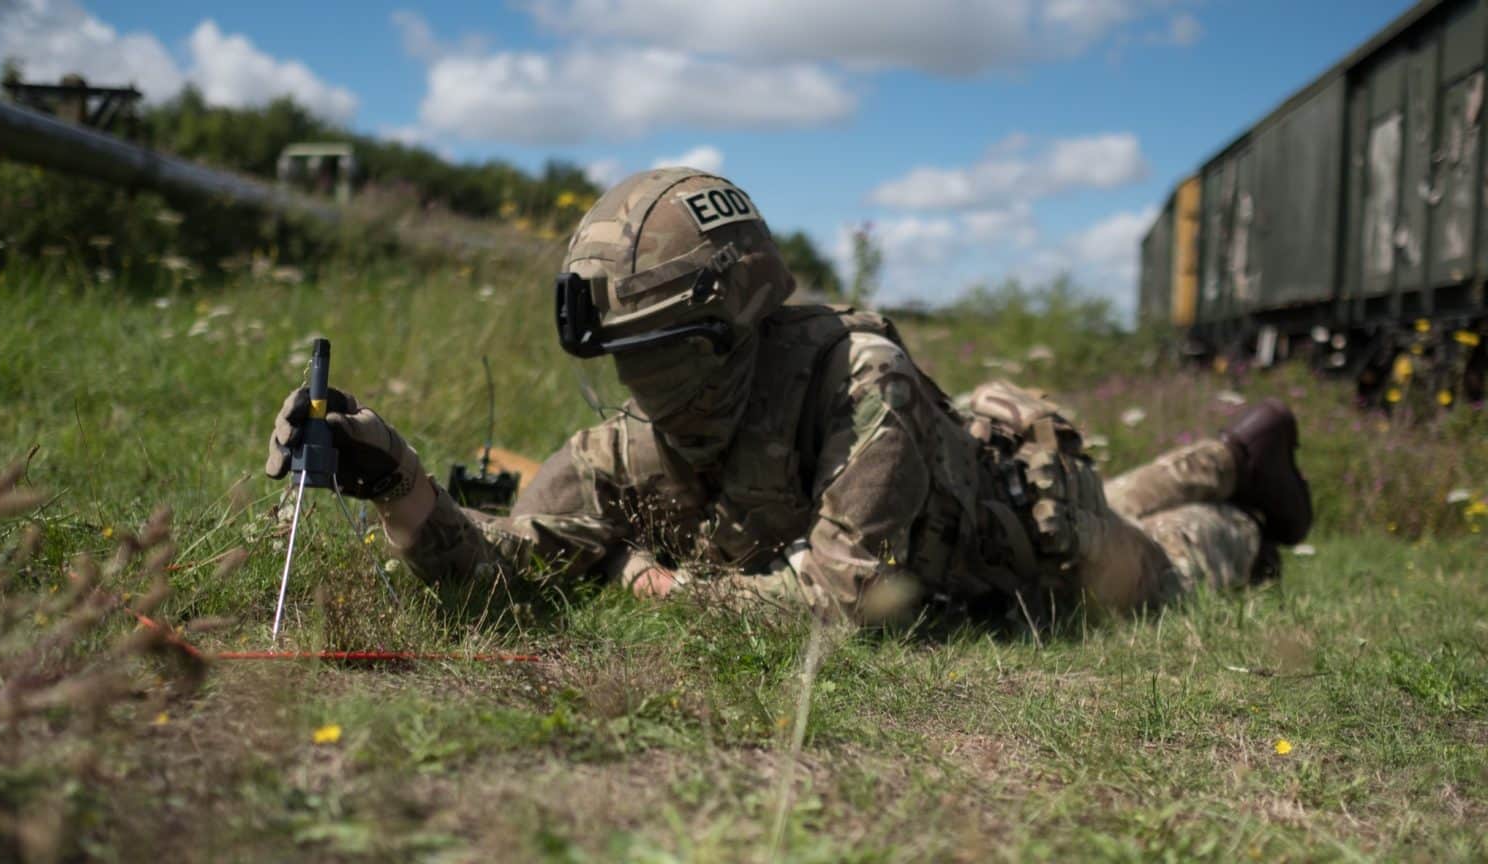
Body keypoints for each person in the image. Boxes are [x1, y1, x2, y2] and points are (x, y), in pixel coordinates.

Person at [266, 168, 1312, 626]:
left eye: (662, 354)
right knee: (1140, 504)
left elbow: (851, 604)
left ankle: (1243, 491)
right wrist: (400, 486)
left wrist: (654, 587)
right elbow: (508, 574)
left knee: (1177, 563)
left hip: (1030, 534)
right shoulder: (631, 444)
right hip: (964, 488)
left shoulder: (859, 380)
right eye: (623, 358)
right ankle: (1232, 452)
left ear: (738, 321)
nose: (641, 388)